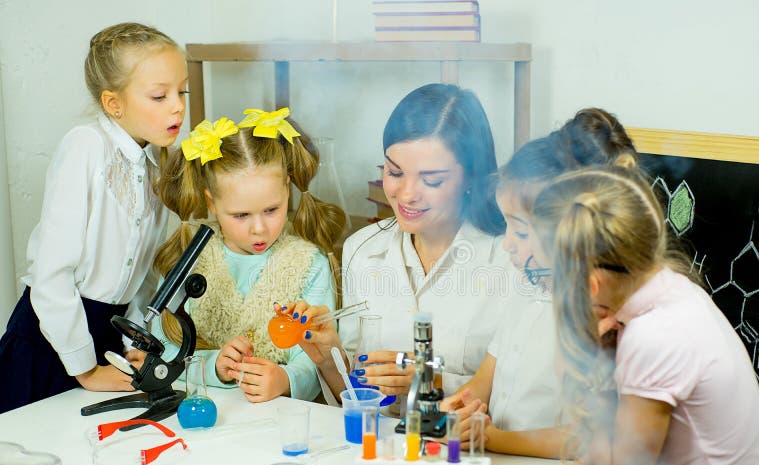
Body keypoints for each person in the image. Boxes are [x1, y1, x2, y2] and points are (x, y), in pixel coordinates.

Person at [528, 165, 759, 465]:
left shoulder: (653, 336)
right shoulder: (673, 291)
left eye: (551, 277)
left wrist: (577, 357)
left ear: (591, 284)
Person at [290, 83, 517, 405]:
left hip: (465, 449)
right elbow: (354, 397)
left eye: (432, 180)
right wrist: (329, 356)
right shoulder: (364, 251)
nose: (407, 194)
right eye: (394, 172)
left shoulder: (510, 258)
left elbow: (526, 397)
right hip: (376, 447)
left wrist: (434, 380)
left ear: (471, 177)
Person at [0, 22, 186, 413]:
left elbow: (143, 276)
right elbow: (51, 274)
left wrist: (136, 343)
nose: (177, 106)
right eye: (159, 95)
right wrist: (84, 369)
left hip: (105, 338)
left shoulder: (158, 162)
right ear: (113, 103)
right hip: (50, 338)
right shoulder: (86, 147)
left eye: (181, 91)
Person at [440, 108, 637, 456]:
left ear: (566, 229)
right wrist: (455, 410)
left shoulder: (607, 316)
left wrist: (490, 438)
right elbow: (485, 379)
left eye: (519, 230)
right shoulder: (528, 285)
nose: (506, 244)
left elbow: (590, 436)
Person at [147, 107, 345, 403]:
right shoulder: (189, 257)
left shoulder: (308, 264)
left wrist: (285, 379)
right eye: (241, 215)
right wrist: (213, 365)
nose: (259, 229)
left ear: (287, 191)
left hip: (275, 420)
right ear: (211, 204)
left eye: (271, 210)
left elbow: (314, 354)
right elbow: (162, 344)